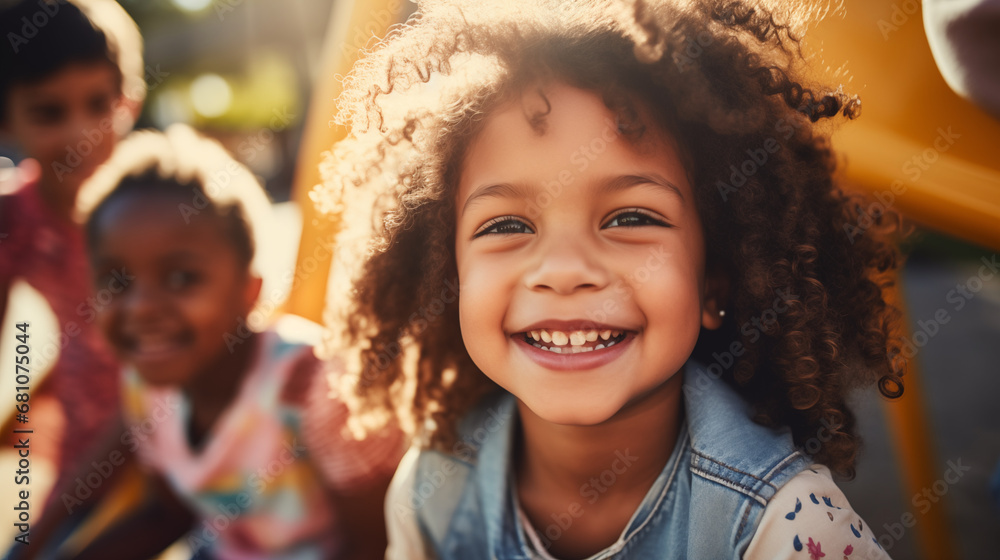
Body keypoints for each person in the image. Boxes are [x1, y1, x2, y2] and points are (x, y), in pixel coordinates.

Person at [314, 1, 907, 558]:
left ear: (716, 281)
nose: (565, 270)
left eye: (630, 218)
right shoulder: (437, 486)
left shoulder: (790, 526)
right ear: (452, 274)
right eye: (507, 224)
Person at [15, 126, 404, 560]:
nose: (141, 307)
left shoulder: (314, 384)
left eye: (181, 278)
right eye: (116, 281)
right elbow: (174, 513)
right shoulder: (145, 390)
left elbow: (376, 539)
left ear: (250, 291)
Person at [0, 0, 144, 504]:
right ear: (6, 120)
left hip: (188, 441)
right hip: (86, 447)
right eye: (49, 112)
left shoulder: (162, 204)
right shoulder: (14, 218)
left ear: (128, 102)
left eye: (98, 105)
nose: (80, 134)